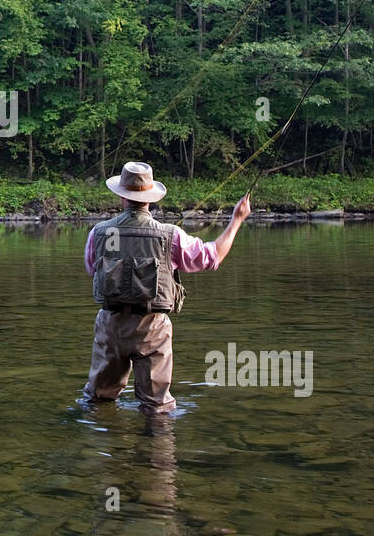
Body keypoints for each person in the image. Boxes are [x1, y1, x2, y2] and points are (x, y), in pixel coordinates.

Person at [82, 161, 250, 415]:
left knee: (98, 400)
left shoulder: (99, 232)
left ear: (120, 195)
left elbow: (91, 268)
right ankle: (157, 451)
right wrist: (236, 220)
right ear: (151, 198)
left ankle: (103, 447)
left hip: (110, 325)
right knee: (157, 408)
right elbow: (212, 257)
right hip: (152, 329)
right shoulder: (171, 235)